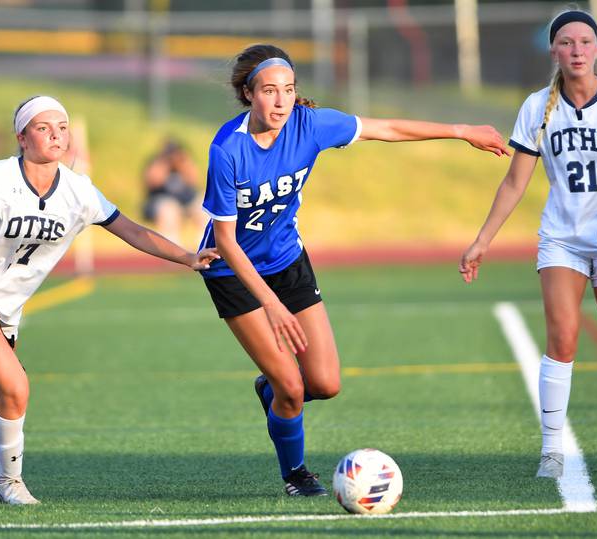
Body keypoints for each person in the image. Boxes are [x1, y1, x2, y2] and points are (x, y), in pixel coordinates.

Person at [198, 43, 510, 496]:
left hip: (286, 262)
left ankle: (273, 391)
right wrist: (272, 307)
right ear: (248, 94)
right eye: (269, 91)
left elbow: (386, 127)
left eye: (288, 89)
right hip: (232, 272)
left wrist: (461, 130)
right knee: (292, 386)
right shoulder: (227, 149)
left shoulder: (310, 125)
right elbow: (225, 240)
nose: (281, 100)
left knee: (323, 383)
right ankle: (296, 474)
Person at [0, 95, 220, 504]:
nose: (56, 135)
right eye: (44, 128)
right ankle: (7, 482)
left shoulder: (79, 191)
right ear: (22, 137)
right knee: (15, 387)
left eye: (61, 127)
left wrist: (187, 256)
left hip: (7, 304)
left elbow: (133, 231)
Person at [458, 10, 597, 478]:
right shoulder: (538, 106)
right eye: (566, 42)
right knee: (561, 340)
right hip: (562, 239)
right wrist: (482, 240)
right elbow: (515, 182)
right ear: (553, 50)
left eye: (585, 41)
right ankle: (552, 450)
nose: (576, 50)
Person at [141, 138, 208, 244]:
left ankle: (204, 244)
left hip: (186, 201)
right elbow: (153, 180)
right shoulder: (158, 163)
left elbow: (194, 180)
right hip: (162, 202)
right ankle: (172, 250)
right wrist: (164, 163)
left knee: (205, 206)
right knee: (169, 210)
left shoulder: (184, 163)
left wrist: (182, 163)